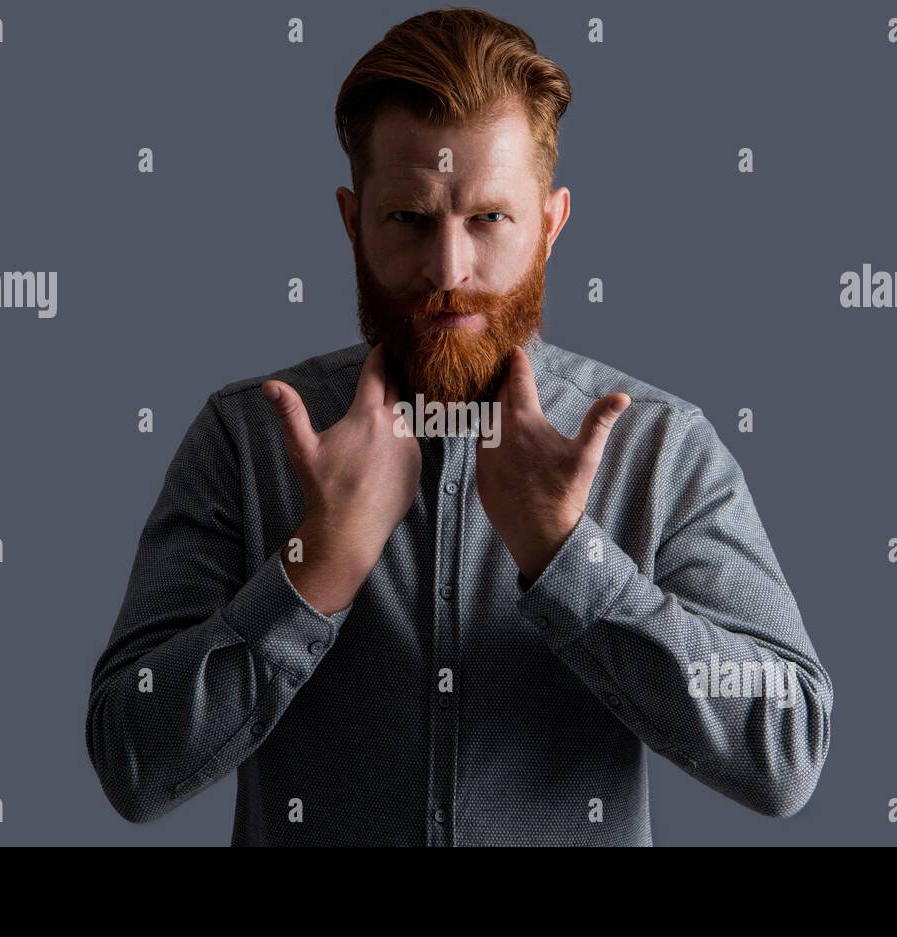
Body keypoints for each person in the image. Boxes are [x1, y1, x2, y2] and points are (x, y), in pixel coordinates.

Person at [86, 7, 833, 846]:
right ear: (351, 221)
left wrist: (567, 556)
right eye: (409, 219)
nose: (448, 271)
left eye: (489, 219)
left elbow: (787, 747)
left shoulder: (661, 448)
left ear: (550, 225)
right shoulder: (245, 440)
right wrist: (314, 567)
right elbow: (131, 759)